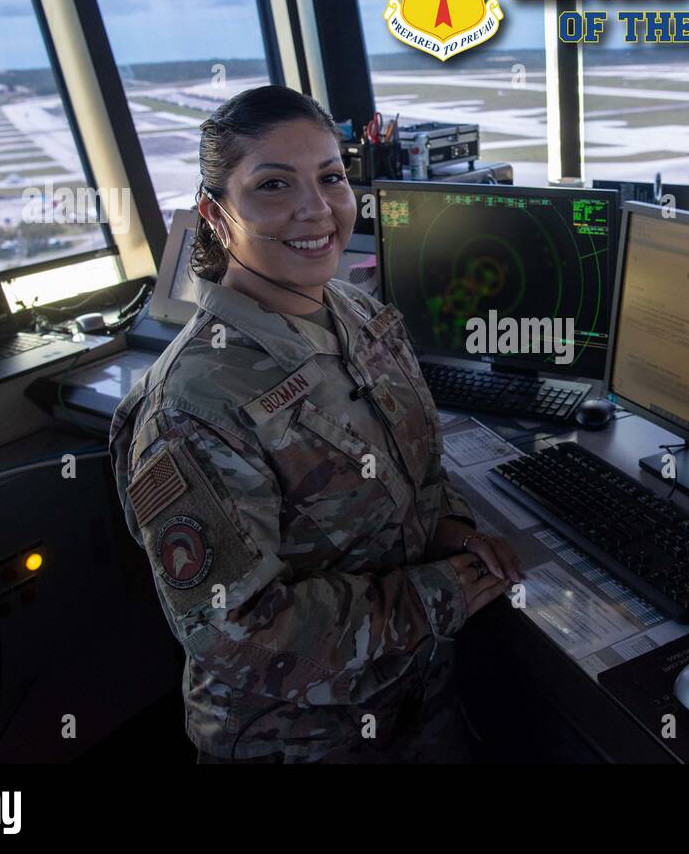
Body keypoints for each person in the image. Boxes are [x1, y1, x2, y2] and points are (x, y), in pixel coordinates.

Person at [109, 85, 523, 763]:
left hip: (415, 698)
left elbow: (413, 467)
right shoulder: (194, 405)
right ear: (216, 215)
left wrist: (445, 523)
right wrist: (440, 596)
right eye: (273, 185)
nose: (316, 209)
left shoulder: (357, 314)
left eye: (331, 177)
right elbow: (237, 631)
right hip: (299, 739)